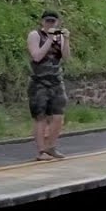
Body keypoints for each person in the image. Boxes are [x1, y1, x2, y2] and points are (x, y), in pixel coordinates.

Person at [27, 11, 71, 161]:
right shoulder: (35, 35)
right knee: (41, 117)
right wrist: (49, 40)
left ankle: (51, 146)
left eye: (53, 21)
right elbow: (37, 56)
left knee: (58, 116)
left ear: (57, 22)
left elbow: (66, 57)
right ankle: (41, 151)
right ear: (42, 22)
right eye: (47, 21)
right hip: (39, 81)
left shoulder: (59, 37)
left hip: (56, 81)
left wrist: (66, 39)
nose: (50, 24)